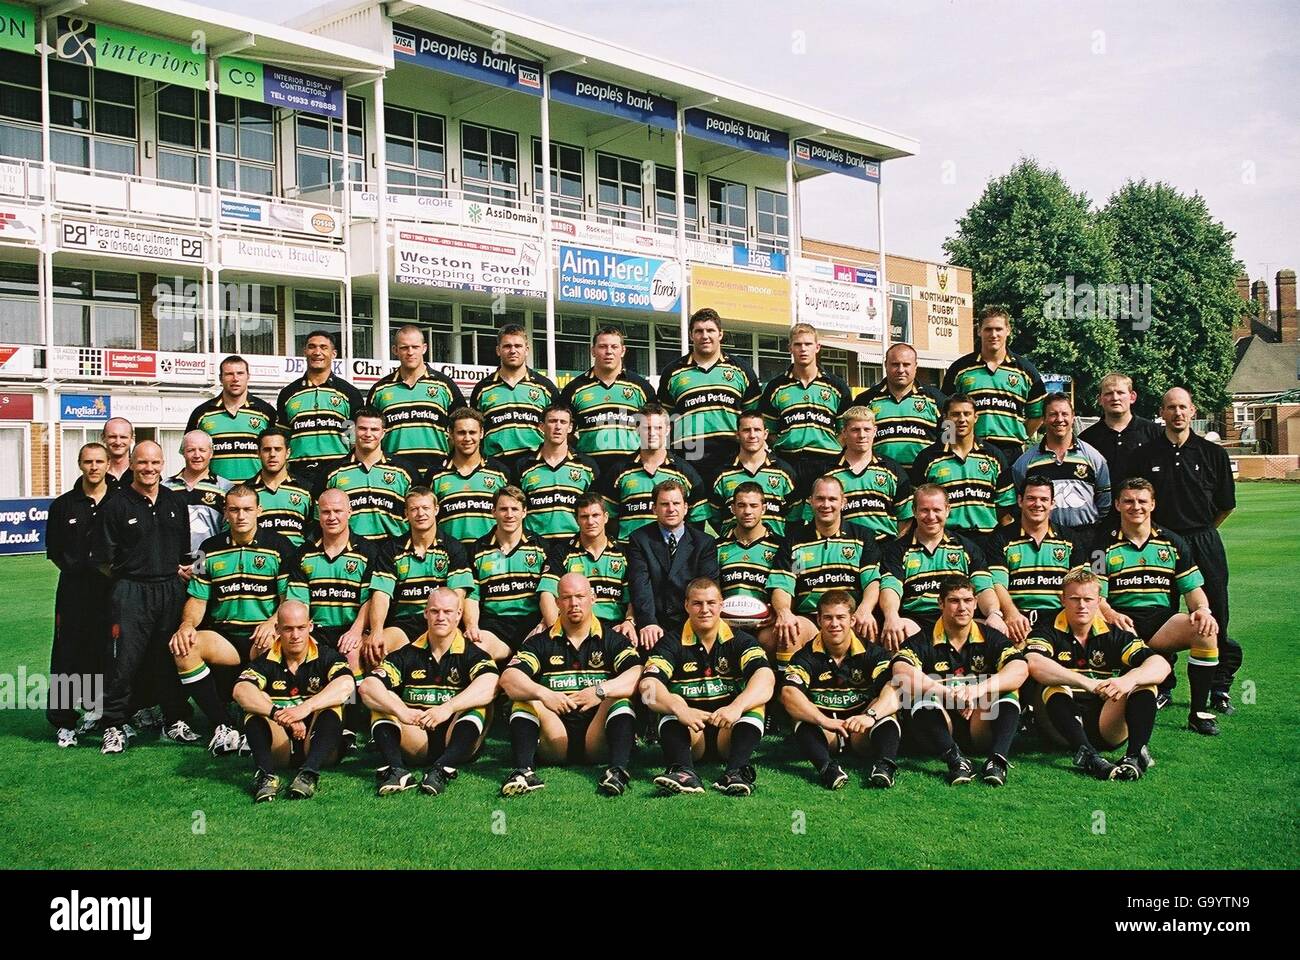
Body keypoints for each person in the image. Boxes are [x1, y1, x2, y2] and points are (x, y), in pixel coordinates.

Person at [168, 485, 297, 756]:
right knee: (185, 647)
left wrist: (273, 622)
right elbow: (198, 598)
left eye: (248, 509)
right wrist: (186, 625)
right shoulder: (207, 548)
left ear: (259, 511)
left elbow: (289, 597)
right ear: (225, 512)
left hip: (261, 634)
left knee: (271, 645)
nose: (241, 516)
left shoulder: (279, 546)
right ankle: (224, 726)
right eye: (234, 510)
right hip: (224, 636)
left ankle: (259, 724)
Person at [1134, 387, 1240, 715]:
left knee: (1214, 614)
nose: (1177, 413)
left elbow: (1224, 506)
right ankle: (1162, 684)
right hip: (1161, 544)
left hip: (1203, 540)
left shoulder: (1213, 454)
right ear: (1162, 413)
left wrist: (1202, 533)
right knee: (1160, 614)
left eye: (1183, 407)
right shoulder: (1146, 454)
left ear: (1192, 411)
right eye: (1170, 408)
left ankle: (1218, 686)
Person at [1092, 478, 1222, 735]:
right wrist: (1110, 613)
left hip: (1161, 624)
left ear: (1152, 504)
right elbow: (1097, 596)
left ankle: (1198, 712)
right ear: (1117, 504)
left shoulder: (1172, 543)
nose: (1135, 507)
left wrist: (1203, 610)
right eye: (1128, 501)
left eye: (1142, 501)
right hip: (1120, 622)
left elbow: (1193, 591)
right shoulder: (1101, 545)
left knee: (1205, 631)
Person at [89, 441, 195, 754]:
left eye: (155, 463)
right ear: (132, 464)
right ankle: (113, 724)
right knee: (124, 660)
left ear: (163, 464)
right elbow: (101, 558)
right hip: (131, 591)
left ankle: (174, 720)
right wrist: (131, 578)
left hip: (170, 589)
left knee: (170, 657)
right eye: (143, 463)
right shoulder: (116, 504)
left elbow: (184, 553)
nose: (149, 469)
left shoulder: (175, 502)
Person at [499, 573, 643, 797]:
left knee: (620, 697)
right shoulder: (541, 641)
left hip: (596, 737)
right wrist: (543, 693)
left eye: (580, 596)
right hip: (556, 738)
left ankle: (617, 770)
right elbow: (508, 678)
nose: (574, 603)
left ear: (592, 598)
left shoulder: (611, 639)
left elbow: (637, 673)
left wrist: (600, 691)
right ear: (557, 603)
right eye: (566, 598)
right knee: (524, 697)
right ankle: (523, 772)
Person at [1025, 569, 1171, 781]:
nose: (1081, 605)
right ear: (1062, 599)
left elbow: (1161, 665)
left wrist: (1127, 680)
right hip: (1062, 726)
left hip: (1107, 724)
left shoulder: (1114, 634)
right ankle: (1088, 755)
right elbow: (1033, 662)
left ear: (1099, 601)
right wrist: (1087, 683)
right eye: (1074, 599)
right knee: (1052, 686)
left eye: (1088, 599)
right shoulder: (1046, 629)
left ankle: (1135, 755)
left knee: (1143, 684)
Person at [640, 577, 775, 796]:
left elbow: (766, 679)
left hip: (729, 731)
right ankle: (684, 773)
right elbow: (647, 689)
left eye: (711, 603)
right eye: (697, 603)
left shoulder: (742, 641)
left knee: (754, 701)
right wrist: (679, 709)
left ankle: (735, 772)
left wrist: (737, 706)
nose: (705, 610)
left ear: (722, 604)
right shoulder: (670, 642)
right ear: (686, 606)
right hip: (692, 734)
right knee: (671, 702)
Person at [359, 588, 500, 796]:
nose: (441, 617)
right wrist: (402, 712)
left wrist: (447, 708)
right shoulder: (407, 654)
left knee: (480, 701)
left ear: (459, 614)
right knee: (382, 699)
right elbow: (367, 687)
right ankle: (397, 770)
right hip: (417, 734)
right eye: (434, 611)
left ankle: (442, 769)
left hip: (456, 736)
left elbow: (491, 683)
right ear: (426, 613)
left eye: (447, 612)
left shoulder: (471, 653)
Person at [890, 575, 1029, 786]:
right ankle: (955, 761)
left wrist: (977, 691)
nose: (962, 607)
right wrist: (948, 695)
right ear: (940, 603)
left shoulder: (990, 636)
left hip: (979, 724)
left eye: (968, 600)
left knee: (1007, 690)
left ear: (975, 603)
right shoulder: (922, 639)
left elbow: (1020, 669)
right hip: (939, 728)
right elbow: (900, 670)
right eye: (954, 601)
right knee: (916, 695)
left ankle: (997, 760)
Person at [232, 600, 356, 802]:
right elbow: (240, 690)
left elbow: (347, 685)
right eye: (288, 629)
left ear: (311, 626)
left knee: (333, 702)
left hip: (316, 742)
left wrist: (305, 708)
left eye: (301, 628)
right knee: (255, 702)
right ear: (277, 628)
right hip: (280, 743)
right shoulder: (265, 661)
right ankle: (266, 776)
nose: (295, 635)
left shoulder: (327, 656)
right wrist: (278, 714)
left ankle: (309, 773)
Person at [782, 591, 902, 790]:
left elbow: (895, 688)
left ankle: (884, 766)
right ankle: (827, 768)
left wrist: (870, 716)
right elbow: (788, 694)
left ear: (852, 620)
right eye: (828, 618)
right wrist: (825, 721)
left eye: (840, 617)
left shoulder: (874, 653)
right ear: (819, 620)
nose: (834, 624)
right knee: (800, 715)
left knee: (887, 707)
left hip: (861, 731)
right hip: (826, 732)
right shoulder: (804, 656)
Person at [878, 485, 1004, 649]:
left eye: (937, 510)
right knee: (898, 628)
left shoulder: (967, 548)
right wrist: (891, 615)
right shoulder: (896, 550)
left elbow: (983, 587)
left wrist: (994, 613)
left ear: (947, 510)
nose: (931, 516)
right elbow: (891, 588)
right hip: (917, 621)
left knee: (995, 627)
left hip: (958, 618)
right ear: (914, 511)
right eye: (924, 510)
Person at [45, 441, 113, 745]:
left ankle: (102, 714)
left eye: (100, 461)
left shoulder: (121, 501)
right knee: (67, 653)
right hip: (74, 591)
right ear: (80, 464)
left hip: (112, 590)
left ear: (109, 464)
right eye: (88, 461)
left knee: (107, 652)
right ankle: (63, 720)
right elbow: (56, 551)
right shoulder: (63, 505)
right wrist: (80, 569)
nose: (94, 467)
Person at [656, 307, 761, 490]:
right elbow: (666, 418)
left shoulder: (742, 370)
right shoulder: (672, 372)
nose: (705, 336)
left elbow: (754, 416)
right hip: (688, 456)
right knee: (691, 514)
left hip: (730, 455)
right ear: (691, 335)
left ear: (720, 334)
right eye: (699, 331)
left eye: (710, 330)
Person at [782, 476, 882, 660]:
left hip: (851, 617)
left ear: (843, 502)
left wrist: (865, 609)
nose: (825, 504)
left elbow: (872, 582)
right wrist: (784, 612)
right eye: (820, 498)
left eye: (832, 499)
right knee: (790, 629)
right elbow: (784, 585)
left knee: (872, 626)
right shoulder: (796, 541)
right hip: (811, 617)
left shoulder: (862, 536)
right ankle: (789, 683)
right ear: (810, 501)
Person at [366, 487, 474, 656]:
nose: (420, 514)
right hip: (403, 624)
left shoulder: (453, 548)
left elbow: (457, 596)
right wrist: (376, 631)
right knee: (374, 650)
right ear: (406, 514)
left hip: (440, 621)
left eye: (425, 508)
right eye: (414, 509)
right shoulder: (391, 549)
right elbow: (381, 595)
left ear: (436, 510)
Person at [986, 476, 1088, 644]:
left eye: (1044, 499)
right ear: (1020, 501)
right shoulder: (1001, 538)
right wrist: (1012, 614)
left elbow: (1081, 586)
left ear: (1053, 503)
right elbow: (998, 584)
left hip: (1060, 620)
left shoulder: (1069, 538)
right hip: (1018, 621)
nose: (1037, 504)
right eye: (1031, 498)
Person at [286, 488, 376, 678]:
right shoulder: (303, 554)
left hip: (351, 628)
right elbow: (299, 603)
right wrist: (304, 634)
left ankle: (350, 705)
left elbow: (370, 600)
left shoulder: (368, 552)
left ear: (350, 512)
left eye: (338, 511)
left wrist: (356, 631)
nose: (332, 517)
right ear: (318, 515)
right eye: (326, 512)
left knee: (351, 655)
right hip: (316, 630)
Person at [758, 323, 854, 498]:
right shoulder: (775, 386)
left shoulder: (837, 386)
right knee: (791, 518)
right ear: (790, 348)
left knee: (825, 516)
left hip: (827, 462)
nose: (803, 349)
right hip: (788, 462)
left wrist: (830, 447)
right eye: (798, 344)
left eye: (808, 344)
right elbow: (768, 431)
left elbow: (846, 429)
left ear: (817, 347)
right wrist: (786, 444)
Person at [941, 306, 1047, 461]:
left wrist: (1017, 435)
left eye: (998, 329)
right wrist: (948, 446)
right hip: (969, 450)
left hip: (1010, 453)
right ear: (979, 331)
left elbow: (1037, 415)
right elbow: (945, 414)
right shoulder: (960, 368)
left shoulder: (1026, 370)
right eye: (988, 329)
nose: (993, 335)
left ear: (1008, 330)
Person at [463, 486, 557, 662]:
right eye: (503, 509)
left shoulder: (542, 547)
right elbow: (472, 597)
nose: (509, 515)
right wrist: (472, 626)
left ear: (524, 512)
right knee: (475, 651)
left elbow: (549, 593)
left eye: (515, 509)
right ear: (493, 511)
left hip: (533, 623)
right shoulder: (477, 550)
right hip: (495, 626)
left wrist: (546, 622)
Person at [715, 482, 806, 660]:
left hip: (767, 625)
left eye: (753, 505)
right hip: (727, 623)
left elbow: (799, 587)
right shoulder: (715, 546)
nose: (747, 511)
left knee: (785, 630)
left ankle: (783, 681)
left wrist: (779, 612)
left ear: (764, 508)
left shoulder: (790, 546)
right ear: (732, 508)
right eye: (741, 505)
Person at [910, 393, 1015, 544]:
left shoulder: (994, 456)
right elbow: (918, 506)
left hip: (987, 539)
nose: (961, 419)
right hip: (945, 540)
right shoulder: (927, 458)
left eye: (967, 414)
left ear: (976, 417)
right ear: (945, 418)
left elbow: (1004, 509)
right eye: (955, 414)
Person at [627, 479, 720, 649]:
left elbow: (706, 588)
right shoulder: (639, 539)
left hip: (692, 622)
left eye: (676, 503)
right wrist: (648, 622)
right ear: (654, 508)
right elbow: (640, 585)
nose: (671, 509)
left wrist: (692, 625)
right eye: (664, 504)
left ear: (685, 507)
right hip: (654, 624)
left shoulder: (705, 543)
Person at [366, 324, 467, 475]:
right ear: (395, 350)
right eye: (404, 348)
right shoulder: (380, 390)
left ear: (424, 348)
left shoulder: (445, 385)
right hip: (393, 473)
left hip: (437, 472)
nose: (410, 352)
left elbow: (462, 428)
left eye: (415, 347)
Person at [596, 402, 707, 539]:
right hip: (629, 552)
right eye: (646, 428)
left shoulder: (686, 473)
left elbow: (697, 520)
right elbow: (607, 517)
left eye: (658, 428)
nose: (652, 433)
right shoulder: (619, 471)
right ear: (637, 429)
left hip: (671, 554)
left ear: (667, 430)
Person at [560, 325, 656, 477]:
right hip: (590, 467)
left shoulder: (641, 387)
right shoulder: (574, 389)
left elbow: (655, 427)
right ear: (593, 351)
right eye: (602, 346)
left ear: (622, 351)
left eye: (614, 347)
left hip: (632, 468)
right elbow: (564, 430)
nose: (609, 352)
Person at [805, 405, 912, 541]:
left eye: (867, 429)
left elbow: (906, 517)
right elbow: (811, 516)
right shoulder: (826, 472)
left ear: (874, 431)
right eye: (855, 430)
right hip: (842, 548)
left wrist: (893, 547)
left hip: (884, 547)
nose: (862, 435)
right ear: (844, 432)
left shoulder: (892, 470)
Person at [1012, 393, 1110, 539]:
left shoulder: (1094, 457)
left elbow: (1105, 501)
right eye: (1053, 414)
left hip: (1087, 536)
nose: (1059, 419)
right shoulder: (1025, 462)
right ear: (1044, 419)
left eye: (1065, 414)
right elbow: (1019, 503)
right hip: (1045, 538)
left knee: (1098, 563)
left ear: (1072, 417)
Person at [539, 493, 636, 642]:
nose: (590, 521)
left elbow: (633, 598)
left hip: (614, 628)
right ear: (577, 519)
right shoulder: (562, 552)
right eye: (584, 517)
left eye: (595, 515)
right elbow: (547, 594)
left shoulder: (623, 553)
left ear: (606, 517)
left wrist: (629, 621)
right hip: (574, 628)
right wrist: (556, 631)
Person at [469, 323, 561, 476]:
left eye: (518, 346)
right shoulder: (482, 389)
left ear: (527, 350)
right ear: (498, 350)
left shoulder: (544, 387)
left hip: (536, 464)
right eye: (507, 346)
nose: (513, 351)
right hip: (496, 465)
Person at [275, 330, 364, 485]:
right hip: (299, 473)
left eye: (323, 347)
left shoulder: (349, 393)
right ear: (305, 351)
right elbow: (284, 438)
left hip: (338, 472)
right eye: (312, 347)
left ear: (334, 353)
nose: (317, 352)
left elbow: (353, 439)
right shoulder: (288, 393)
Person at [318, 407, 417, 541]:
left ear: (383, 433)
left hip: (394, 552)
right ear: (353, 431)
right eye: (362, 428)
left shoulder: (405, 471)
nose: (368, 434)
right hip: (351, 553)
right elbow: (318, 518)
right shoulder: (333, 472)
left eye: (374, 429)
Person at [513, 402, 599, 549]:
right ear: (541, 426)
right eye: (552, 421)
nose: (558, 427)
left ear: (570, 427)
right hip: (535, 546)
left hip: (575, 546)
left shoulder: (587, 466)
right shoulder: (523, 466)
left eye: (563, 422)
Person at [424, 408, 512, 547]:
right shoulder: (435, 474)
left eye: (472, 432)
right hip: (449, 553)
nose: (467, 438)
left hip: (492, 552)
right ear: (451, 433)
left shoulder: (500, 472)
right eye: (461, 433)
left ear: (482, 433)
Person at [704, 411, 797, 539]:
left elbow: (794, 516)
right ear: (737, 434)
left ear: (765, 434)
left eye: (757, 430)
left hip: (775, 551)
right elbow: (715, 517)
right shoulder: (721, 474)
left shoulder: (784, 472)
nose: (752, 435)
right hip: (733, 551)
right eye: (746, 430)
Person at [185, 355, 277, 482]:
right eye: (229, 374)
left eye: (240, 373)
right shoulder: (202, 413)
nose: (235, 379)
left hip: (254, 491)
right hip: (215, 491)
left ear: (248, 376)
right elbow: (189, 454)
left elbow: (277, 453)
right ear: (220, 378)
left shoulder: (266, 412)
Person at [858, 342, 945, 470]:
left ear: (916, 366)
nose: (900, 370)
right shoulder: (865, 400)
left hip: (925, 478)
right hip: (880, 476)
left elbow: (951, 439)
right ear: (885, 365)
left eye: (906, 364)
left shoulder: (938, 400)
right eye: (895, 364)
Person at [1078, 371, 1163, 493]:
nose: (1115, 398)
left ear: (1132, 396)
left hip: (1143, 509)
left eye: (1120, 392)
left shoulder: (1155, 433)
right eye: (1108, 393)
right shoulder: (1087, 439)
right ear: (1100, 399)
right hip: (1103, 509)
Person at [163, 430, 234, 560]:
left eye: (202, 450)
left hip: (211, 563)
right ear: (183, 453)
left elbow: (229, 532)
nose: (197, 455)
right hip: (172, 565)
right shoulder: (166, 487)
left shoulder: (225, 488)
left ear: (211, 453)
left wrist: (206, 563)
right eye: (191, 450)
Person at [247, 426, 314, 547]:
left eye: (277, 449)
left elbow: (314, 530)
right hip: (260, 561)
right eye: (267, 449)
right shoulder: (246, 491)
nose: (272, 454)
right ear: (258, 453)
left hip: (295, 561)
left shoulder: (306, 490)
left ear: (287, 453)